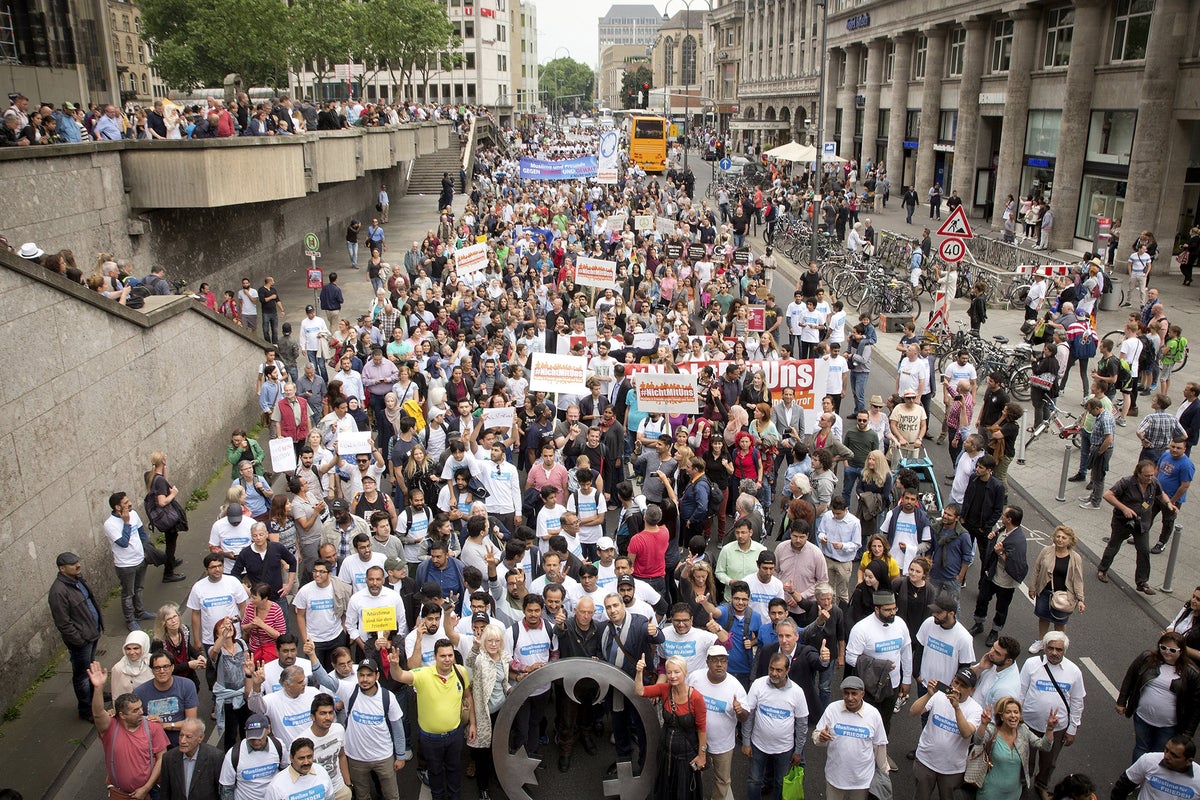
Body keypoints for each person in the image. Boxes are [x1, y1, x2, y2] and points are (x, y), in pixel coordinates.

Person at [390, 638, 476, 800]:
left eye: (450, 655)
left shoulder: (461, 672)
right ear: (435, 657)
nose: (447, 659)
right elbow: (400, 676)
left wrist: (472, 723)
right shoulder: (423, 674)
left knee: (454, 771)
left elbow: (468, 696)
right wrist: (395, 665)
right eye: (443, 656)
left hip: (454, 735)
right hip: (430, 739)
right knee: (435, 774)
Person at [87, 660, 169, 799]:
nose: (141, 712)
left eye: (141, 707)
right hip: (120, 794)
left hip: (150, 792)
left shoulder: (153, 726)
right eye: (135, 710)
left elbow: (162, 757)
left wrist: (146, 788)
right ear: (122, 715)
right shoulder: (110, 728)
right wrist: (98, 688)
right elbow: (98, 713)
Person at [1116, 631, 1200, 763]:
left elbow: (1196, 706)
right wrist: (1122, 701)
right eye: (1163, 647)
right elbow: (1130, 677)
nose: (1167, 652)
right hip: (1142, 717)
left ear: (1181, 651)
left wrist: (1188, 733)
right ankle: (1137, 778)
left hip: (1169, 725)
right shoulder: (1147, 658)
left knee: (1159, 753)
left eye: (1172, 650)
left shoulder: (1192, 673)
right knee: (1141, 748)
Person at [1018, 631, 1086, 795]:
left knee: (1049, 763)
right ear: (1045, 648)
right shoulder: (1031, 664)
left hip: (1057, 729)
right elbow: (1020, 691)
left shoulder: (1074, 671)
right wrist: (1016, 716)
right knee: (1025, 758)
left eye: (1059, 649)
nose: (1054, 652)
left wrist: (1072, 729)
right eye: (1051, 648)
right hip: (1028, 725)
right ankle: (1021, 784)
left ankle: (1041, 786)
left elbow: (1077, 702)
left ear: (1065, 651)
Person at [634, 654, 709, 800]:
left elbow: (702, 729)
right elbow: (640, 691)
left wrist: (702, 756)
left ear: (685, 672)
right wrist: (639, 672)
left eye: (677, 672)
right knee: (665, 791)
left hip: (686, 758)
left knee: (683, 793)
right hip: (665, 753)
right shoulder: (664, 689)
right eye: (669, 672)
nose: (673, 676)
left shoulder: (696, 698)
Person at [1097, 459, 1177, 595]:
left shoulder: (1154, 483)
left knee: (1144, 550)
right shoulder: (1127, 482)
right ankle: (1103, 569)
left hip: (1142, 523)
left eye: (1152, 475)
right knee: (1114, 545)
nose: (1150, 478)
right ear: (1138, 473)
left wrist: (1168, 503)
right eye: (1147, 475)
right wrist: (1124, 508)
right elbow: (1107, 495)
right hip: (1123, 522)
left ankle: (1142, 582)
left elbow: (1161, 494)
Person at [846, 589, 912, 744]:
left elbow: (906, 652)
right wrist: (879, 667)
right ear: (876, 609)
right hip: (870, 687)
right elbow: (850, 658)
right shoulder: (861, 629)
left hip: (893, 684)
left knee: (885, 721)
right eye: (887, 610)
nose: (892, 613)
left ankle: (881, 754)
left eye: (894, 608)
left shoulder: (900, 624)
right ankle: (863, 751)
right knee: (865, 721)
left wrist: (907, 679)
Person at [741, 651, 808, 800]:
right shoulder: (758, 685)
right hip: (758, 745)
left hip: (785, 749)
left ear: (787, 670)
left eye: (779, 670)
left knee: (780, 783)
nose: (774, 673)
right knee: (754, 780)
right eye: (771, 669)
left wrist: (798, 751)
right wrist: (746, 742)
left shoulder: (797, 692)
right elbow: (749, 715)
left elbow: (802, 725)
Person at [907, 668, 983, 800]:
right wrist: (928, 695)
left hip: (952, 769)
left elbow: (966, 733)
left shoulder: (975, 709)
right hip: (926, 761)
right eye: (956, 682)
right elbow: (913, 712)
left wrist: (957, 708)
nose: (957, 688)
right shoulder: (938, 696)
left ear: (972, 691)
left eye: (963, 686)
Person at [337, 659, 406, 800]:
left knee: (391, 795)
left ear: (377, 676)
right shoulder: (349, 690)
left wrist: (400, 756)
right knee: (362, 795)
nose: (365, 679)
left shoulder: (388, 697)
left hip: (383, 757)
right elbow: (323, 679)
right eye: (361, 675)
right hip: (356, 758)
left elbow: (398, 728)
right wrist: (312, 655)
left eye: (369, 675)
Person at [48, 551, 105, 721]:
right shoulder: (58, 592)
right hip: (82, 640)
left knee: (91, 667)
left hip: (91, 633)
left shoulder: (77, 580)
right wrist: (79, 640)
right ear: (62, 568)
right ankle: (86, 709)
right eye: (73, 564)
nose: (78, 565)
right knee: (81, 675)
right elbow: (63, 623)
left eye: (77, 562)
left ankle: (96, 693)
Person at [687, 645, 749, 800]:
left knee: (722, 779)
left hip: (723, 745)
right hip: (696, 740)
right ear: (707, 662)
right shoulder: (695, 677)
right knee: (694, 773)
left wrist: (740, 711)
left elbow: (745, 717)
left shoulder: (735, 686)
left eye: (723, 660)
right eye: (715, 660)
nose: (720, 664)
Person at [812, 676, 889, 800]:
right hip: (835, 776)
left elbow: (879, 746)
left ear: (862, 694)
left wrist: (884, 771)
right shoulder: (832, 709)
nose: (850, 698)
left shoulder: (873, 714)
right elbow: (816, 736)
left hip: (862, 780)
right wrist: (821, 737)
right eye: (846, 693)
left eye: (854, 694)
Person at [971, 696, 1056, 800]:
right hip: (990, 792)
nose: (1013, 715)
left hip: (1014, 793)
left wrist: (1050, 728)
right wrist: (983, 724)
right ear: (1001, 716)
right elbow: (977, 741)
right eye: (1008, 712)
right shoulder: (992, 730)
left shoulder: (1023, 731)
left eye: (1016, 712)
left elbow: (1044, 746)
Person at [970, 506, 1028, 649]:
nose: (1001, 517)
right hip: (992, 575)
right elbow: (996, 543)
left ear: (1009, 519)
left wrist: (1000, 553)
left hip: (1006, 582)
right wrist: (992, 537)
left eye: (1003, 515)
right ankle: (979, 623)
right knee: (982, 599)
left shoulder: (1018, 540)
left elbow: (1015, 563)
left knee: (1001, 607)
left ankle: (995, 631)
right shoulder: (1004, 530)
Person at [464, 622, 510, 797]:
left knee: (498, 749)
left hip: (501, 711)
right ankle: (483, 788)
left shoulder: (504, 657)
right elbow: (469, 661)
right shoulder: (480, 658)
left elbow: (504, 682)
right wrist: (475, 648)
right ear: (484, 642)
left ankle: (498, 778)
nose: (493, 644)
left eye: (496, 641)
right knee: (482, 753)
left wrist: (511, 691)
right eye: (489, 640)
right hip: (484, 714)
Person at [1027, 526, 1086, 653]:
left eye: (1064, 538)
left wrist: (1080, 599)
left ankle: (1058, 646)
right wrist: (1032, 587)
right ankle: (1041, 641)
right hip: (1045, 591)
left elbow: (1078, 579)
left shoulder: (1075, 558)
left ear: (1070, 540)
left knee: (1059, 622)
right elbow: (1037, 569)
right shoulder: (1046, 551)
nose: (1060, 540)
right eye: (1058, 536)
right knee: (1043, 618)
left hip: (1064, 596)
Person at [104, 491, 156, 632]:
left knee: (139, 588)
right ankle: (130, 619)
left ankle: (140, 612)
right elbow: (123, 543)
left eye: (128, 501)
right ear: (117, 507)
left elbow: (141, 533)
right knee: (128, 594)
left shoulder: (133, 514)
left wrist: (147, 549)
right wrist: (126, 523)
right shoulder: (110, 524)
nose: (130, 504)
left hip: (140, 560)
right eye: (126, 503)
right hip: (125, 565)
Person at [135, 651, 199, 748]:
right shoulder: (139, 692)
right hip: (153, 747)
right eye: (157, 668)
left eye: (166, 666)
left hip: (181, 745)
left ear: (172, 667)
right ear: (151, 670)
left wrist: (164, 725)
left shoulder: (187, 685)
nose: (162, 671)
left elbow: (191, 722)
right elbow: (136, 723)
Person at [218, 713, 286, 800]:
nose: (256, 742)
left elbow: (287, 771)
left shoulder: (278, 745)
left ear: (268, 729)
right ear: (246, 733)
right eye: (252, 738)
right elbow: (226, 789)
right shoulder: (233, 754)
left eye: (259, 737)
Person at [1112, 735, 1200, 800]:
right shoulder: (1149, 760)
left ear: (1188, 761)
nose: (1166, 756)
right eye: (1166, 750)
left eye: (1174, 755)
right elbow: (1122, 787)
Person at [160, 719, 223, 800]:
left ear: (200, 737)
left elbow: (222, 792)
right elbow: (165, 793)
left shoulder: (215, 757)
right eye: (181, 735)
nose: (182, 741)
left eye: (188, 737)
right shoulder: (169, 758)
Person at [1151, 436, 1193, 554]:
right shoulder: (1165, 455)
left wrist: (1173, 500)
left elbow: (1184, 486)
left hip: (1172, 500)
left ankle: (1161, 543)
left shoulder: (1186, 465)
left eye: (1178, 448)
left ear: (1184, 449)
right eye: (1173, 446)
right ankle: (1141, 535)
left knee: (1168, 522)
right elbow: (1157, 470)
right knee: (1147, 514)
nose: (1174, 450)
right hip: (1157, 494)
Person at [264, 738, 332, 800]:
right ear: (291, 758)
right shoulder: (276, 785)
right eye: (301, 758)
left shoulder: (321, 771)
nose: (306, 762)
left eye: (309, 757)